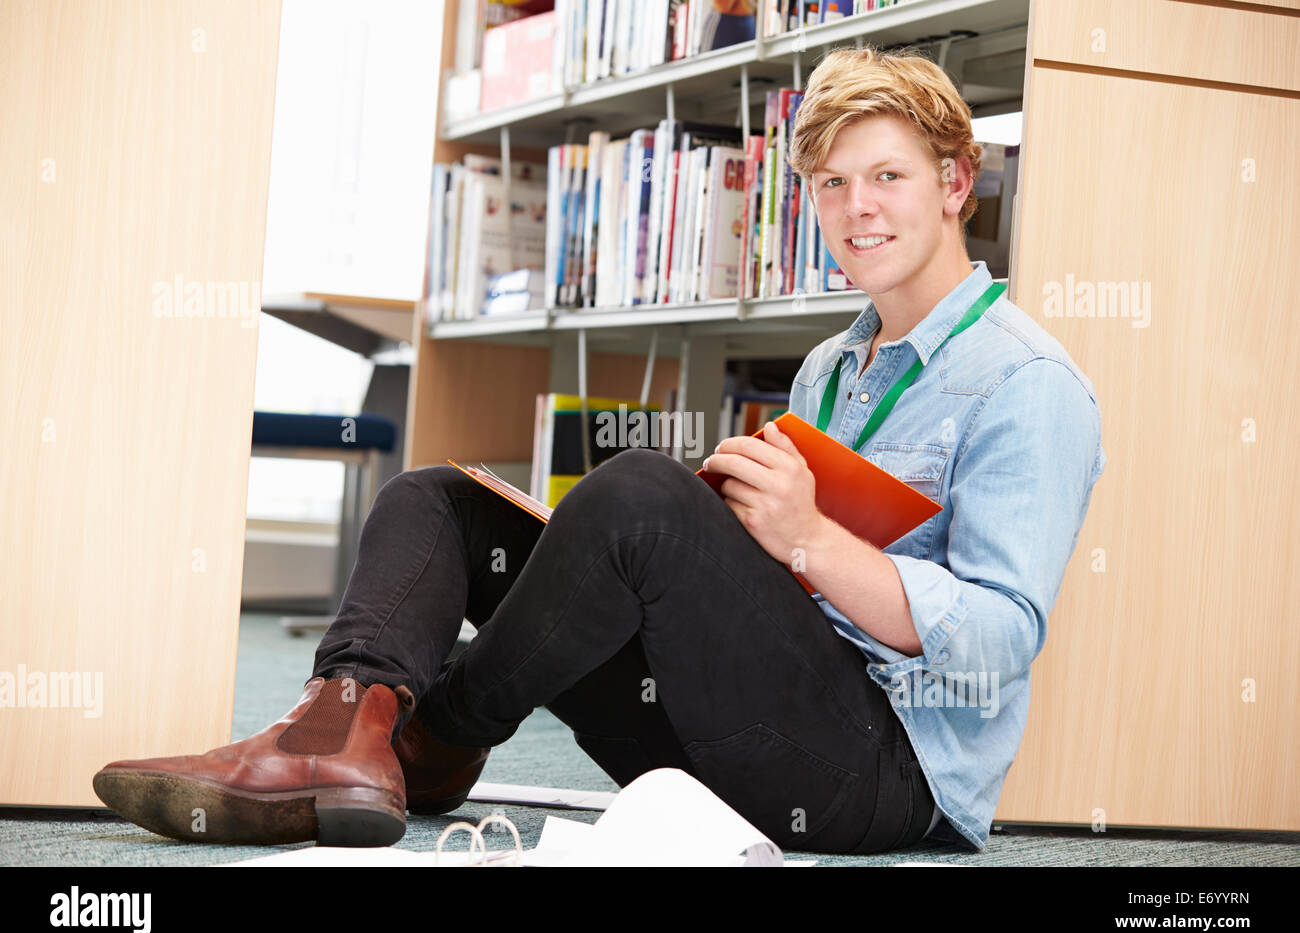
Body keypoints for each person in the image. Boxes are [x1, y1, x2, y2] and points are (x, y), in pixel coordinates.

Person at [92, 43, 1104, 854]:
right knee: (441, 497)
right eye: (832, 183)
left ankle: (432, 736)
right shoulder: (831, 369)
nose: (857, 207)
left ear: (956, 180)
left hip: (876, 780)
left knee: (635, 494)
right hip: (728, 735)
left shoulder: (1027, 382)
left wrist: (803, 539)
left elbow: (1001, 637)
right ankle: (336, 728)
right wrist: (735, 540)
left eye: (887, 176)